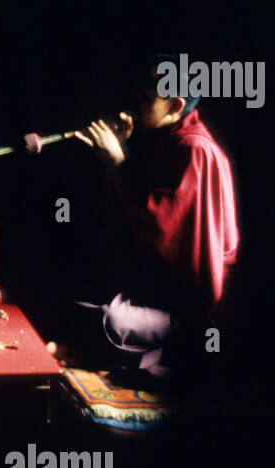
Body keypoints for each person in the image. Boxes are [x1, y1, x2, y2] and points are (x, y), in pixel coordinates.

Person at [47, 54, 240, 388]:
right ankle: (87, 350)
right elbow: (122, 221)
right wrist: (123, 152)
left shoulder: (196, 151)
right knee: (66, 290)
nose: (136, 102)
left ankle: (83, 351)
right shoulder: (163, 139)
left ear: (176, 106)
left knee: (114, 321)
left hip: (186, 310)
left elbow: (164, 232)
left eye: (147, 97)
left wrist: (120, 163)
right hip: (145, 290)